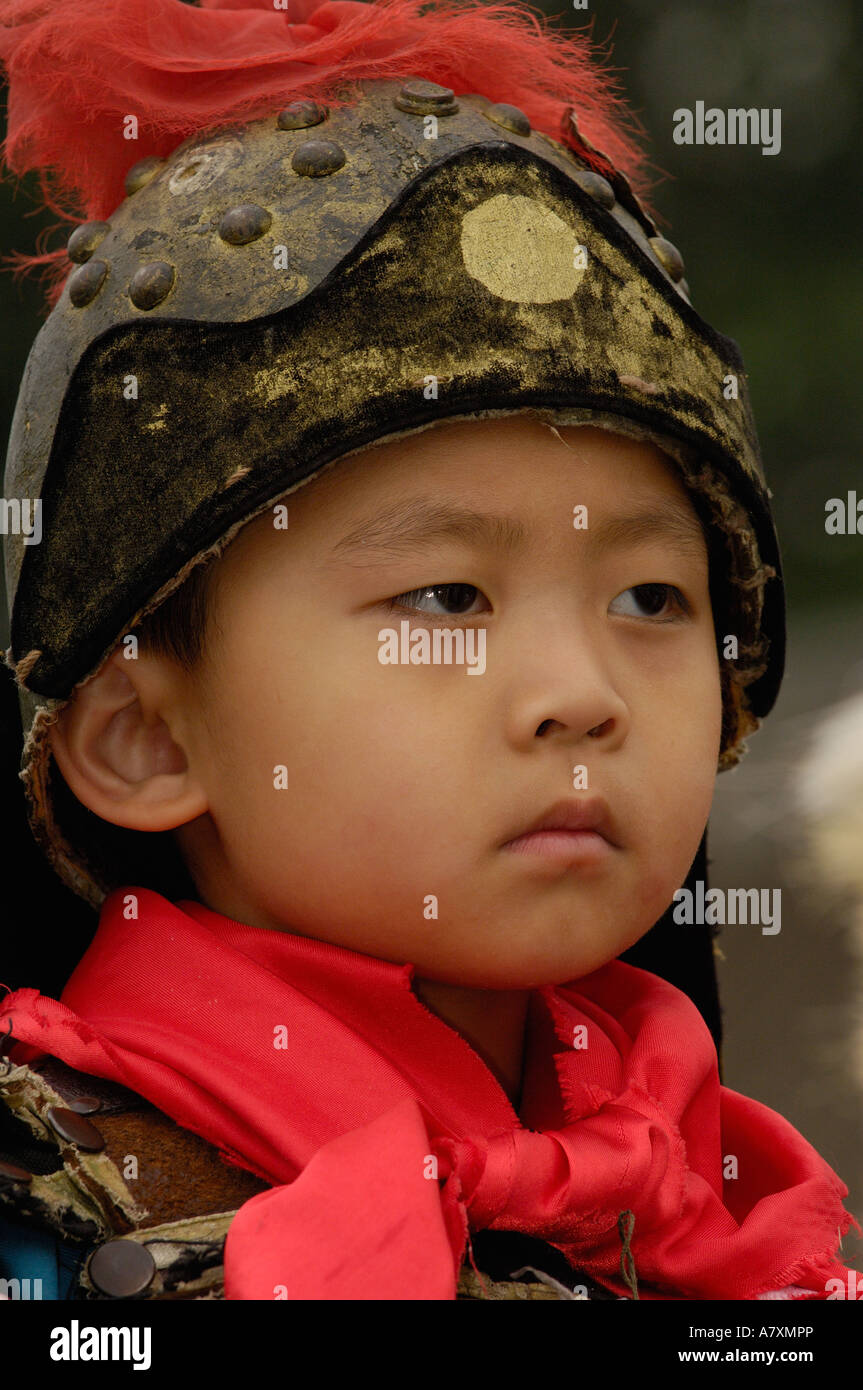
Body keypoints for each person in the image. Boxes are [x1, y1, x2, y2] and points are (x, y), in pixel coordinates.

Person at [0, 0, 858, 1302]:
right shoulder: (42, 1240)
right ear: (149, 732)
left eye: (650, 600)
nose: (581, 696)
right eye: (449, 595)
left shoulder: (723, 1222)